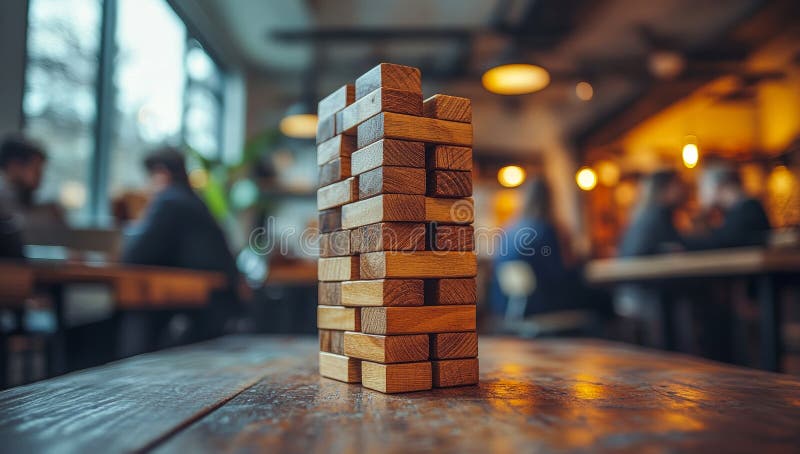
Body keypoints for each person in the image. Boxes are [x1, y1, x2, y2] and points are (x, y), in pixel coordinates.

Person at [120, 147, 239, 355]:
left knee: (134, 314)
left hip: (200, 308)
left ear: (161, 173)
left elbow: (134, 255)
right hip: (217, 304)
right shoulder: (193, 200)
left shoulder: (170, 200)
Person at [490, 179, 579, 317]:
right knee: (599, 298)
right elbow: (558, 273)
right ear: (549, 200)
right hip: (541, 304)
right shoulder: (545, 229)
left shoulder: (509, 229)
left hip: (507, 304)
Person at [685, 165, 771, 249]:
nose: (702, 194)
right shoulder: (739, 209)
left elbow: (724, 240)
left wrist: (683, 244)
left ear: (720, 186)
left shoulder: (749, 208)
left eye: (704, 187)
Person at [618, 170, 686, 257]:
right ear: (664, 189)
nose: (682, 190)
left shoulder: (646, 214)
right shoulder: (656, 216)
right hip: (638, 270)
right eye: (677, 185)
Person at [0, 135, 47, 258]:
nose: (40, 178)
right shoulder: (3, 203)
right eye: (36, 170)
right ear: (14, 167)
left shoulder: (31, 203)